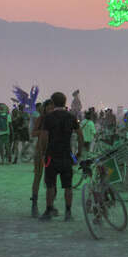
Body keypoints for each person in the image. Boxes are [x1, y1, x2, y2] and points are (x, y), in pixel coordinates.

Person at [36, 92, 79, 221]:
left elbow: (44, 137)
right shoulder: (71, 117)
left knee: (50, 185)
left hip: (51, 155)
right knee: (68, 186)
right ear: (65, 102)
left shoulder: (48, 118)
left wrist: (43, 153)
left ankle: (48, 211)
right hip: (66, 155)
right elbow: (80, 135)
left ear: (53, 103)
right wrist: (79, 153)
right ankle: (68, 212)